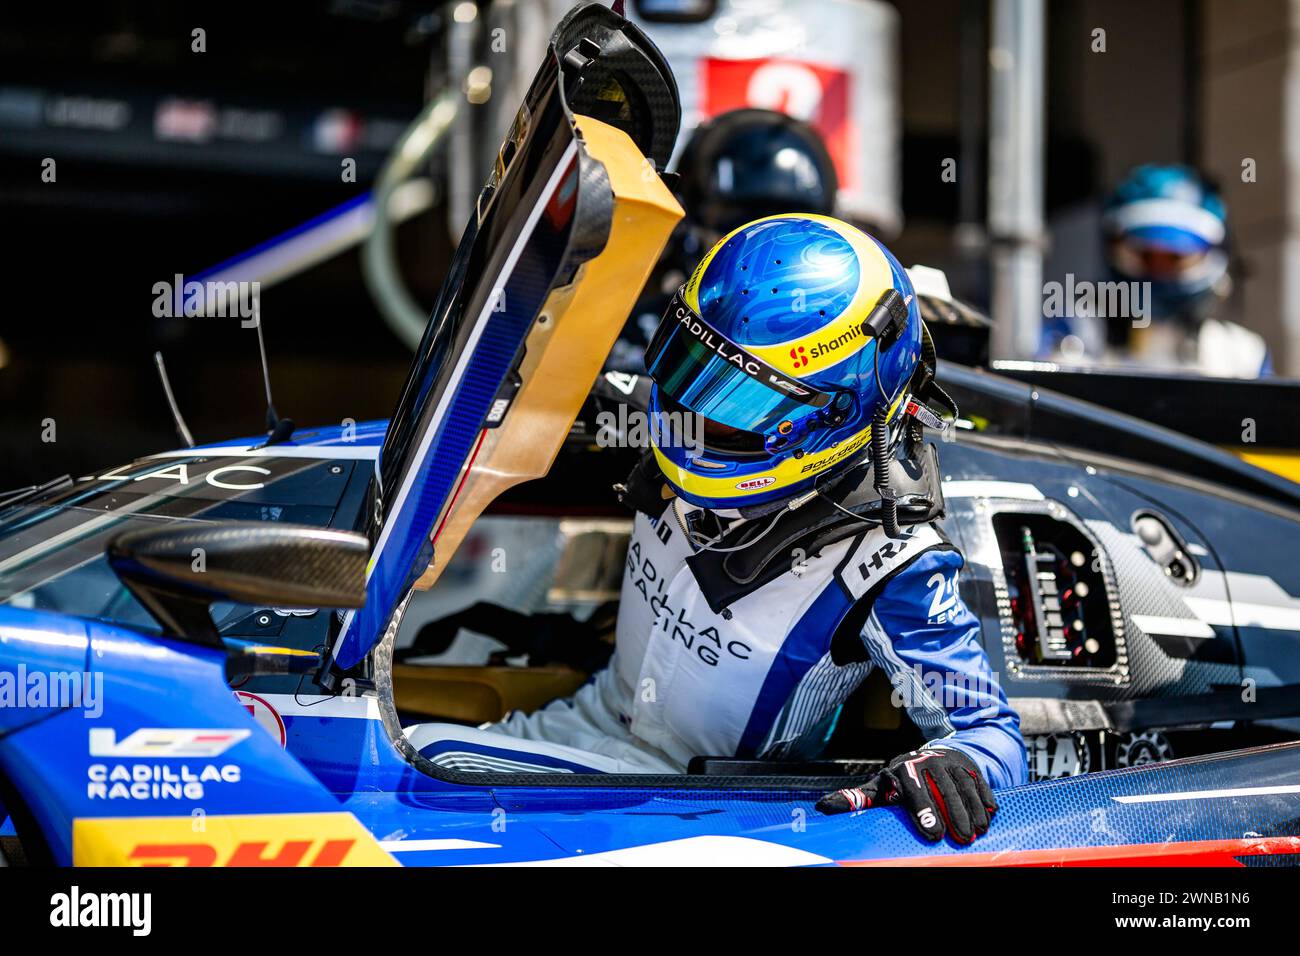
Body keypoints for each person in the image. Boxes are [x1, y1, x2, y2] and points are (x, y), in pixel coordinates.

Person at [406, 214, 1027, 844]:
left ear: (837, 415)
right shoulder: (652, 420)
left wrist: (956, 764)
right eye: (691, 372)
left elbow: (993, 738)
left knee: (402, 782)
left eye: (738, 407)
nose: (696, 415)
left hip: (685, 810)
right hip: (578, 728)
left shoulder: (891, 560)